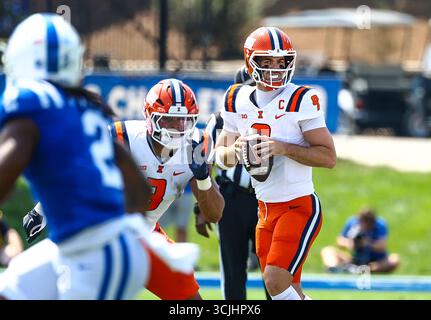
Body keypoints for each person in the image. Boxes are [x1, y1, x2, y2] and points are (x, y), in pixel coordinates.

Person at [0, 13, 156, 300]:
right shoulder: (86, 107)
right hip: (83, 244)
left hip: (96, 252)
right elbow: (139, 190)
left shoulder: (31, 104)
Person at [214, 27, 337, 300]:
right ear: (250, 62)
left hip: (298, 205)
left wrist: (283, 148)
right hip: (264, 209)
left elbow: (328, 157)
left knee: (275, 281)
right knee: (288, 290)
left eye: (281, 62)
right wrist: (237, 151)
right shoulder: (236, 98)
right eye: (266, 61)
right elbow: (219, 155)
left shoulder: (302, 98)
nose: (275, 69)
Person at [108, 78, 225, 299]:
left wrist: (203, 178)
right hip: (106, 233)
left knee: (190, 297)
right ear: (150, 117)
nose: (179, 128)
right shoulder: (121, 137)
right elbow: (78, 176)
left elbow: (214, 214)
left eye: (185, 121)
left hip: (146, 232)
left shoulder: (197, 145)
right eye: (170, 120)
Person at [195, 66, 269, 300]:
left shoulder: (276, 116)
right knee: (233, 270)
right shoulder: (219, 120)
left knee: (274, 269)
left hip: (267, 198)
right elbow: (204, 165)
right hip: (232, 198)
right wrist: (202, 207)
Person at [320, 208, 400, 273]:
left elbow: (382, 245)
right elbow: (340, 241)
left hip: (374, 262)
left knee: (394, 259)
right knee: (327, 251)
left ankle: (365, 270)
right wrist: (351, 244)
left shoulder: (380, 224)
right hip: (353, 259)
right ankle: (335, 269)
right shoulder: (352, 222)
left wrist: (367, 244)